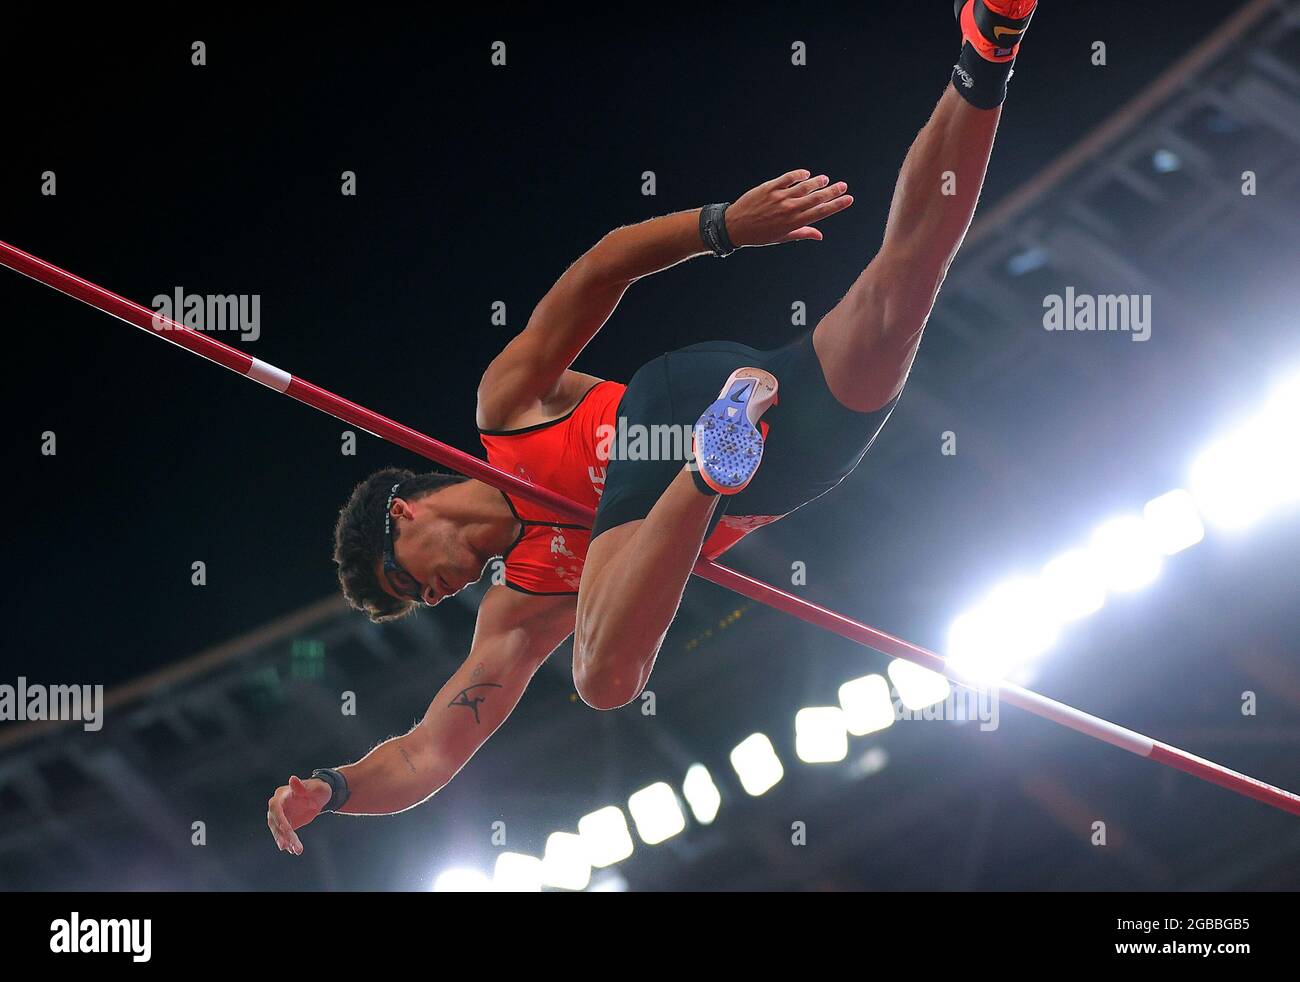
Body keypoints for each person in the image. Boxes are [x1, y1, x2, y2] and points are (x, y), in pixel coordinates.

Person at [269, 0, 1038, 855]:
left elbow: (603, 266)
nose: (433, 600)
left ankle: (710, 463)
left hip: (676, 405)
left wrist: (724, 227)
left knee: (600, 679)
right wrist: (332, 789)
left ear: (403, 513)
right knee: (904, 290)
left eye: (408, 584)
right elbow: (426, 756)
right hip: (781, 465)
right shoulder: (516, 609)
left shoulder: (506, 412)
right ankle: (990, 42)